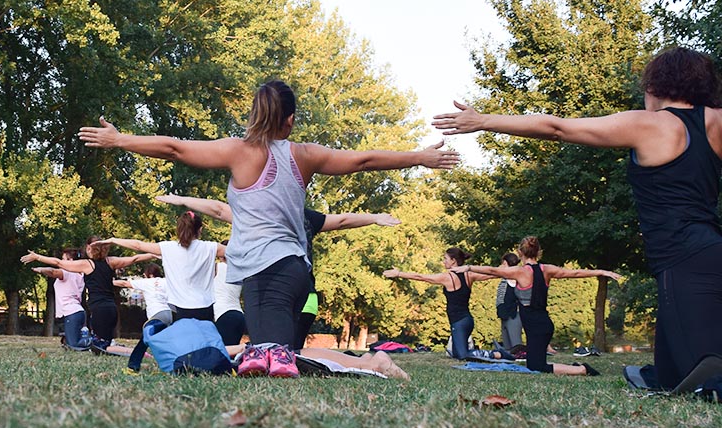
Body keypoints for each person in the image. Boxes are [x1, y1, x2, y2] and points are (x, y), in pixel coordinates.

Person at [80, 80, 457, 377]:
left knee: (275, 358)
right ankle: (366, 363)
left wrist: (119, 140)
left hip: (268, 272)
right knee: (270, 355)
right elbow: (363, 160)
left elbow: (175, 149)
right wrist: (419, 157)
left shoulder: (240, 151)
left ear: (255, 114)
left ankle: (370, 364)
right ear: (289, 119)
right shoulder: (305, 155)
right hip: (293, 271)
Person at [433, 46, 722, 389]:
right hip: (709, 250)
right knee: (669, 375)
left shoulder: (650, 124)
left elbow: (557, 128)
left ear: (656, 86)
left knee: (703, 377)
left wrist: (484, 121)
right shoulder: (716, 121)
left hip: (682, 259)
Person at [156, 193, 401, 350]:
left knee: (276, 348)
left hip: (275, 288)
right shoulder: (307, 217)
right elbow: (342, 221)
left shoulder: (262, 216)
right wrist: (374, 217)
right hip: (307, 293)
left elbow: (220, 210)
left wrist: (183, 200)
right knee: (292, 349)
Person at [449, 237, 620, 375]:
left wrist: (468, 267)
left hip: (537, 327)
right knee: (534, 363)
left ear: (519, 253)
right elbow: (575, 273)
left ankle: (582, 369)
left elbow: (493, 270)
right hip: (541, 324)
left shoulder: (519, 272)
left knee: (537, 367)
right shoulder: (547, 269)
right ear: (538, 252)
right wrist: (601, 271)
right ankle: (575, 366)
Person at [21, 237, 157, 352]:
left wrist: (37, 257)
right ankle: (121, 349)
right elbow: (135, 258)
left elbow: (58, 263)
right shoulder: (111, 262)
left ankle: (131, 351)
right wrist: (154, 254)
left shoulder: (87, 265)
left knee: (100, 346)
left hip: (99, 309)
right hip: (112, 309)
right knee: (105, 343)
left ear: (89, 248)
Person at [96, 211, 226, 323]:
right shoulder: (211, 247)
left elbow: (138, 245)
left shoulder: (168, 247)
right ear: (200, 230)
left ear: (179, 229)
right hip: (205, 306)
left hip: (180, 308)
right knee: (204, 343)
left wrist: (113, 240)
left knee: (185, 345)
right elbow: (237, 252)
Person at [383, 247, 509, 361]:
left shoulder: (448, 277)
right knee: (455, 353)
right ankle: (488, 352)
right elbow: (491, 275)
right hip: (465, 321)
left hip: (459, 322)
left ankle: (497, 354)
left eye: (445, 259)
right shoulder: (469, 275)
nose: (443, 262)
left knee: (462, 355)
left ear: (453, 261)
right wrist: (503, 269)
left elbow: (421, 277)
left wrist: (399, 274)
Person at [114, 263, 174, 372]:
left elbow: (124, 283)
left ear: (149, 274)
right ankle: (174, 365)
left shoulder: (147, 282)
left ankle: (133, 366)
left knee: (144, 341)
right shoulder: (167, 281)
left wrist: (105, 281)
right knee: (165, 342)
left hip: (157, 315)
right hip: (169, 314)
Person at [30, 248, 91, 351]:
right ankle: (87, 337)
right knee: (69, 341)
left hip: (71, 312)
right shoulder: (81, 274)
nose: (61, 262)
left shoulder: (67, 273)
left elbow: (53, 272)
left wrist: (40, 270)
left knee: (74, 345)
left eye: (63, 259)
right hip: (78, 311)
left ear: (71, 261)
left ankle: (94, 341)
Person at [496, 252, 523, 350]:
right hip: (504, 314)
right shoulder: (505, 278)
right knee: (507, 345)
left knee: (515, 343)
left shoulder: (514, 278)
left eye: (503, 264)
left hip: (513, 314)